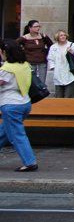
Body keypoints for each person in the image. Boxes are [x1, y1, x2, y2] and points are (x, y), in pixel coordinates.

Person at [0, 40, 37, 172]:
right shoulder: (25, 65)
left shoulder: (7, 69)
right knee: (3, 132)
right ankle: (29, 161)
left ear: (4, 52)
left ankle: (29, 162)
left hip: (10, 105)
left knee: (16, 135)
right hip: (25, 103)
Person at [46, 29, 74, 98]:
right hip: (58, 73)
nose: (63, 37)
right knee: (59, 95)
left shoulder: (72, 45)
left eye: (64, 35)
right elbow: (50, 59)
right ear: (57, 37)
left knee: (68, 95)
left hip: (69, 73)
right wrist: (53, 68)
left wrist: (72, 53)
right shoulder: (53, 47)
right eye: (61, 35)